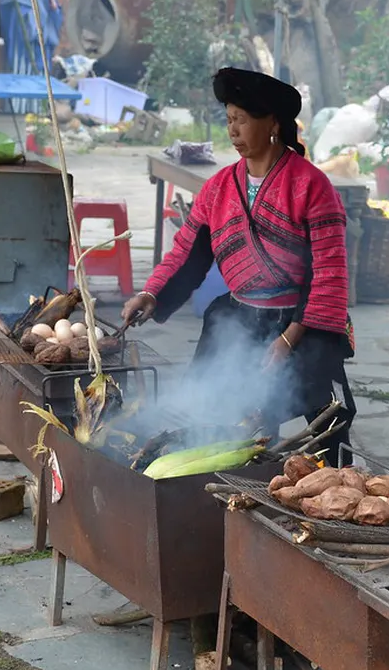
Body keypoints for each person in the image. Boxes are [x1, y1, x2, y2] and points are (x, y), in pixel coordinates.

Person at [121, 67, 356, 453]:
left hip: (303, 322)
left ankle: (331, 486)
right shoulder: (219, 187)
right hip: (240, 317)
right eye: (229, 119)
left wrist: (287, 338)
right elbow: (187, 252)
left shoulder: (312, 186)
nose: (232, 130)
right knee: (222, 417)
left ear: (273, 123)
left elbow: (328, 272)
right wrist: (152, 293)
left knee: (325, 422)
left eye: (242, 120)